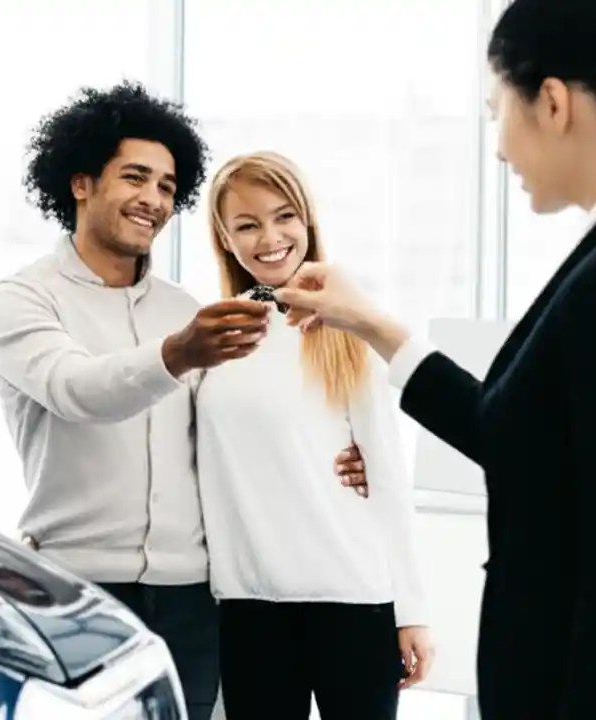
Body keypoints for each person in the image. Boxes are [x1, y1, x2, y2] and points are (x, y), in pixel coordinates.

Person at [274, 1, 596, 717]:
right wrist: (372, 323)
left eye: (497, 112)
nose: (498, 149)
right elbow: (519, 436)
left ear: (552, 103)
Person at [0, 81, 367, 720]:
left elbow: (233, 435)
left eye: (166, 185)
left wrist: (345, 457)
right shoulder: (22, 300)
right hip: (77, 594)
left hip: (193, 600)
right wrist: (178, 353)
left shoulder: (184, 309)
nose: (154, 199)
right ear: (80, 182)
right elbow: (77, 390)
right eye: (135, 178)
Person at [197, 151, 434, 719]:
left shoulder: (348, 328)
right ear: (225, 238)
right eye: (247, 225)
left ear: (307, 221)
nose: (270, 238)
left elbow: (387, 477)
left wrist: (412, 611)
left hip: (354, 598)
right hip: (248, 603)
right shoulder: (210, 336)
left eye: (284, 217)